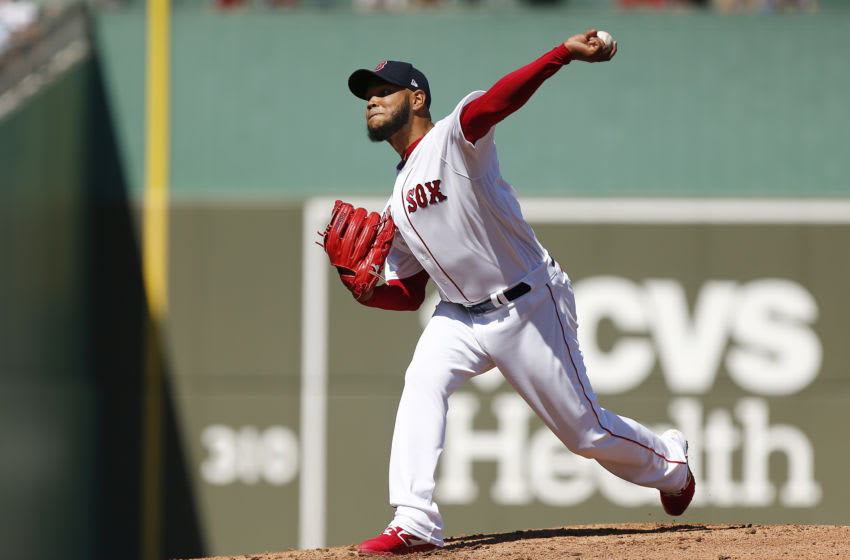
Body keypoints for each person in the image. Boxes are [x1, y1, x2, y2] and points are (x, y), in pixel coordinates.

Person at [342, 30, 695, 556]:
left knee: (584, 433)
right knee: (422, 379)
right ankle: (415, 519)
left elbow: (496, 102)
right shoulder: (397, 201)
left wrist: (562, 55)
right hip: (460, 315)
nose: (372, 100)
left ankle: (671, 463)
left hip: (526, 302)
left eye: (383, 90)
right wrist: (366, 291)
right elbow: (410, 293)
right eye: (367, 94)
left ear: (416, 98)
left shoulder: (452, 140)